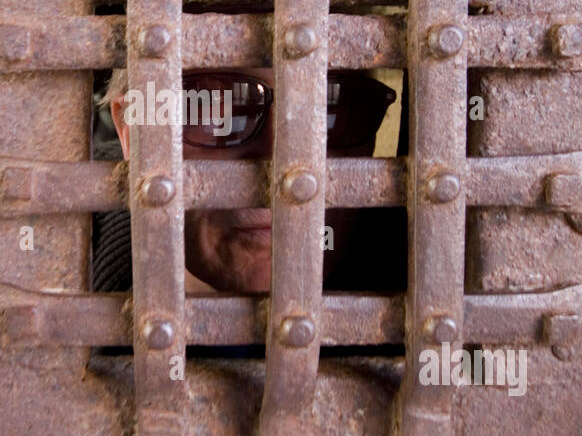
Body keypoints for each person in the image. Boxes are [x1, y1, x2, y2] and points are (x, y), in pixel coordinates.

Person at [95, 66, 404, 295]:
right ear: (131, 133)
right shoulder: (64, 250)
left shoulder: (426, 280)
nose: (281, 171)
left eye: (327, 111)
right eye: (215, 110)